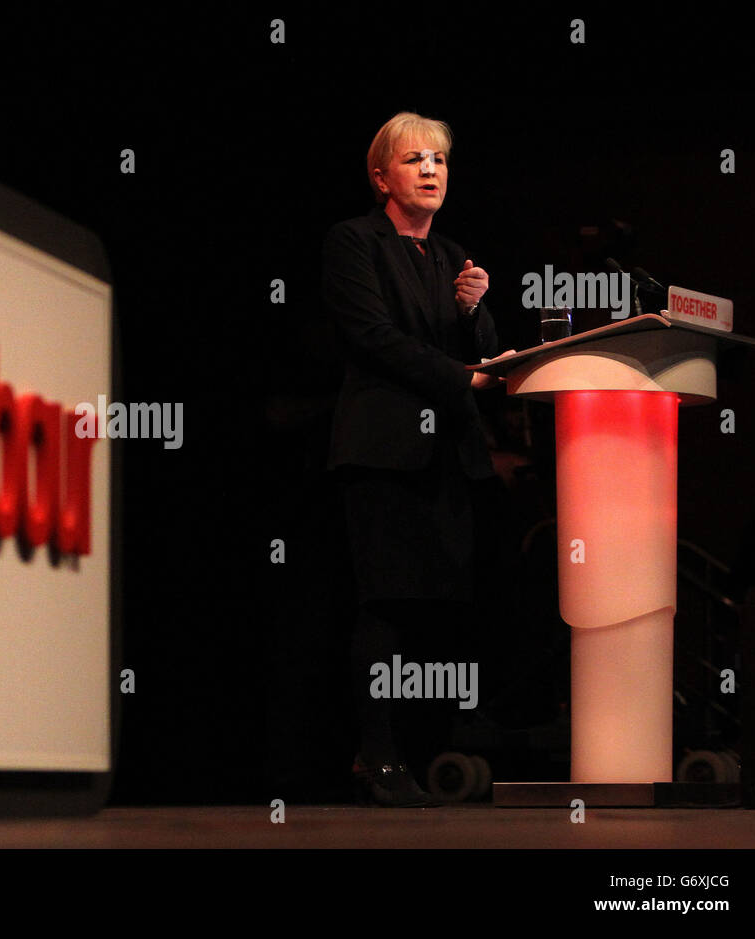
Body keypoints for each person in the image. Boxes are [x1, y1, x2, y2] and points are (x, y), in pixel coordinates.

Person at [321, 112, 513, 805]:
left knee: (445, 609)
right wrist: (464, 374)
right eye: (414, 160)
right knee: (388, 604)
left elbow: (482, 351)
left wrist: (472, 312)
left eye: (439, 159)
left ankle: (432, 748)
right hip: (384, 451)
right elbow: (373, 337)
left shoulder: (454, 252)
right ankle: (375, 753)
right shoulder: (354, 242)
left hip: (449, 458)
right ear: (382, 178)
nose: (431, 169)